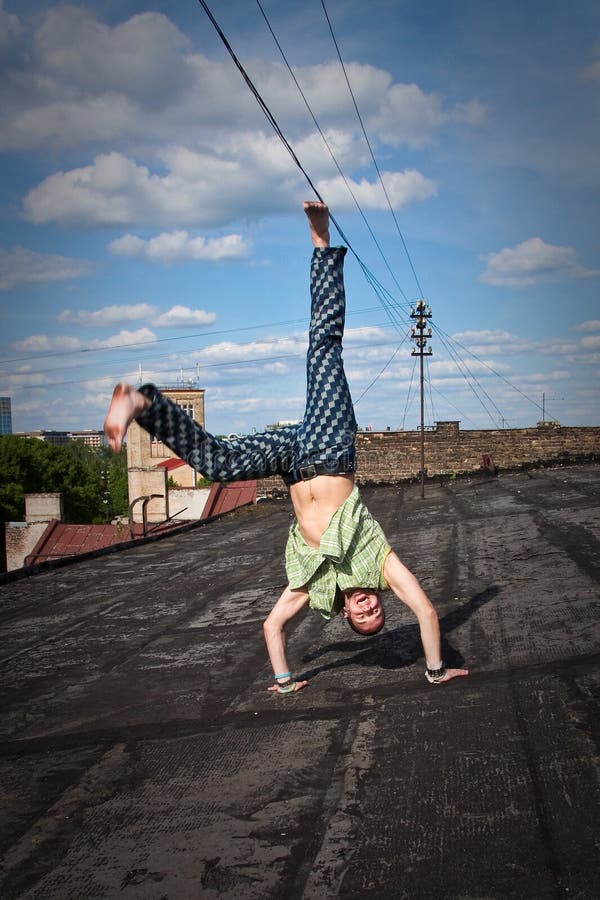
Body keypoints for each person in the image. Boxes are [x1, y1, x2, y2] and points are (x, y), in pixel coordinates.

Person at [104, 201, 468, 695]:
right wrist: (436, 669)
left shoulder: (313, 588)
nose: (369, 608)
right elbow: (425, 609)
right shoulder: (380, 563)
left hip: (291, 465)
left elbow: (273, 627)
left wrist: (283, 679)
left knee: (220, 463)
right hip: (331, 443)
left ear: (344, 613)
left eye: (362, 616)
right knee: (323, 348)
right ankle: (321, 245)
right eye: (377, 610)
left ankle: (142, 403)